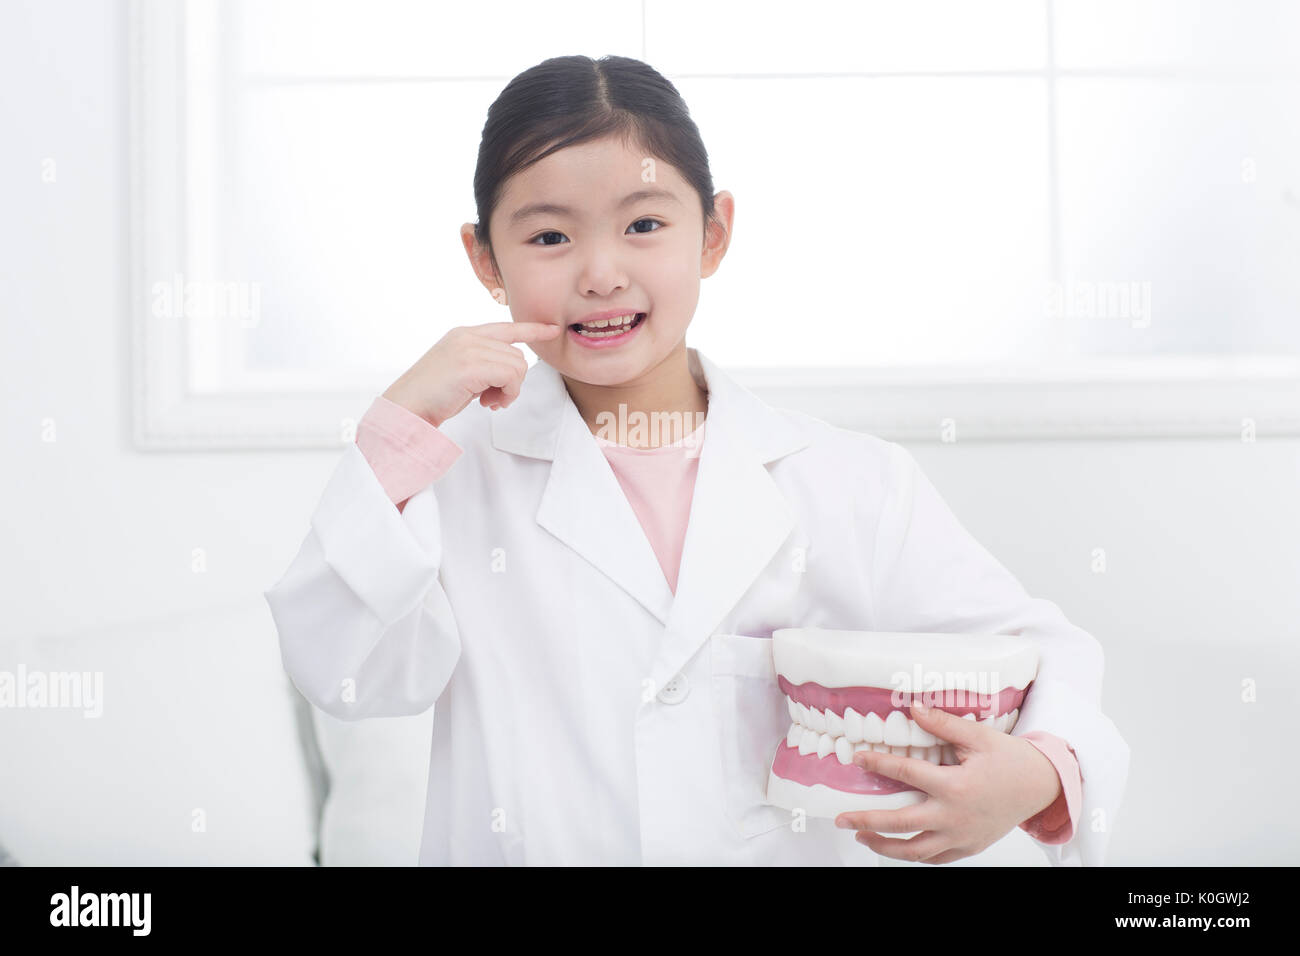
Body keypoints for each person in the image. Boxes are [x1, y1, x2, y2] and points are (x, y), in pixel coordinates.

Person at [264, 54, 1129, 866]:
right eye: (549, 239)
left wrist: (1039, 775)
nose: (601, 274)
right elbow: (344, 671)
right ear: (484, 258)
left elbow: (1039, 649)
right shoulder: (446, 476)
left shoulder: (845, 481)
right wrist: (398, 427)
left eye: (644, 225)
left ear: (713, 234)